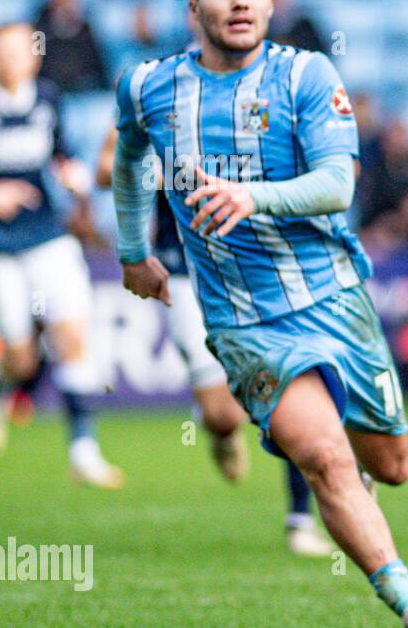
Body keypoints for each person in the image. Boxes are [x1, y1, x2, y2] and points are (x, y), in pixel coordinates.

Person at [110, 0, 408, 628]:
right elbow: (129, 159)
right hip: (242, 320)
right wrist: (133, 252)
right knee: (323, 457)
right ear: (193, 3)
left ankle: (353, 480)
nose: (238, 1)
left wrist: (250, 196)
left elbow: (337, 183)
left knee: (389, 468)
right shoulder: (148, 86)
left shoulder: (305, 76)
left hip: (333, 299)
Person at [95, 123, 333, 556]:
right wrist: (161, 172)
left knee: (292, 386)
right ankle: (220, 431)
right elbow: (107, 168)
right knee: (224, 416)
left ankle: (300, 518)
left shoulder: (266, 101)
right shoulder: (160, 99)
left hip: (261, 268)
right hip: (187, 269)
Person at [0, 22, 124, 486]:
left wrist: (71, 174)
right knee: (21, 356)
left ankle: (83, 451)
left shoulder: (46, 99)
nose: (14, 59)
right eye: (4, 51)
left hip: (48, 235)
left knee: (71, 333)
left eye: (22, 50)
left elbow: (60, 153)